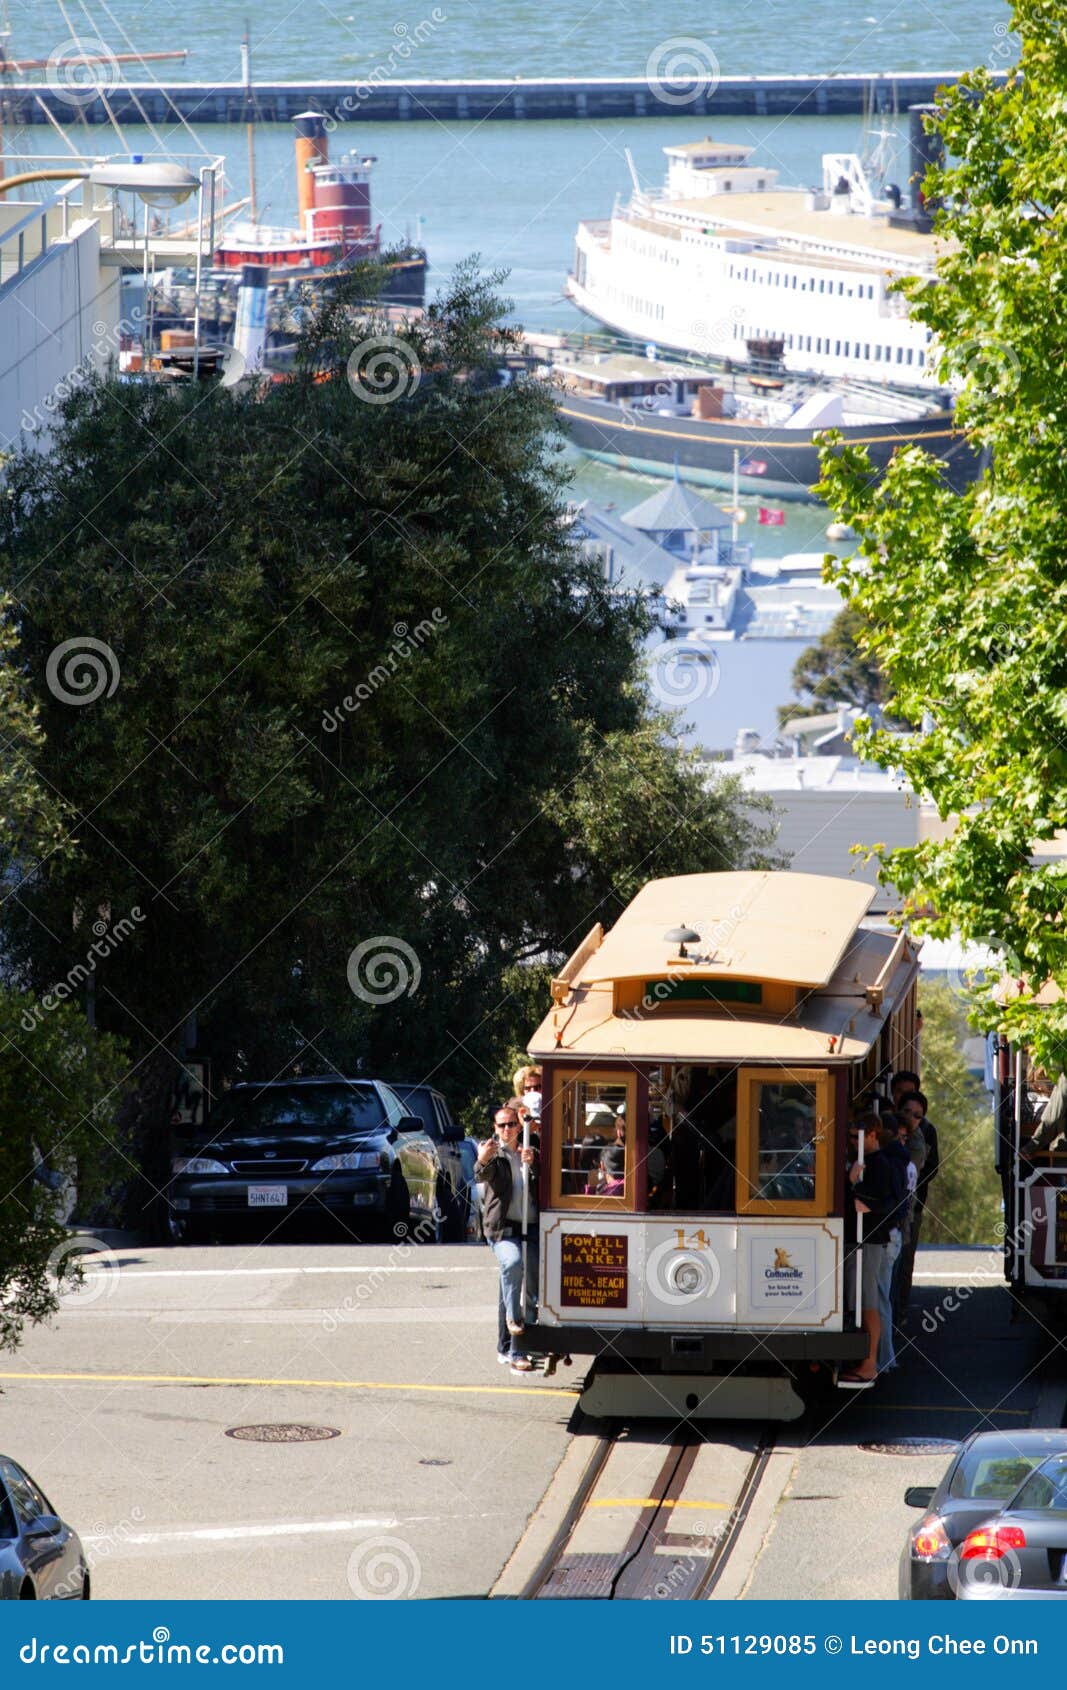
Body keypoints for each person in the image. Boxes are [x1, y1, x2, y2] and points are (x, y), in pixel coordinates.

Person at [477, 1106, 539, 1376]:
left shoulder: (530, 1150)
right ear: (495, 1127)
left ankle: (531, 1340)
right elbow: (481, 1174)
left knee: (532, 1282)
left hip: (533, 1226)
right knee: (513, 1264)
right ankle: (517, 1344)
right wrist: (482, 1159)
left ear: (518, 1126)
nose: (506, 1130)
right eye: (501, 1125)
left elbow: (544, 1186)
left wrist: (534, 1164)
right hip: (503, 1229)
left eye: (511, 1124)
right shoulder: (494, 1153)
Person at [840, 1112, 900, 1387]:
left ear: (872, 1135)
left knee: (868, 1302)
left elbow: (885, 1202)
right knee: (860, 1299)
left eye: (856, 1137)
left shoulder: (880, 1164)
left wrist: (854, 1185)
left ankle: (870, 1362)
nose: (852, 1142)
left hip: (870, 1241)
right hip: (859, 1239)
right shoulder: (866, 1161)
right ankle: (863, 1359)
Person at [894, 1088, 938, 1315]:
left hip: (908, 1209)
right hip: (890, 1211)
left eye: (917, 1115)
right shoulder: (892, 1134)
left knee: (903, 1260)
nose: (911, 1118)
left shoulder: (920, 1140)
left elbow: (928, 1168)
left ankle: (899, 1311)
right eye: (907, 1112)